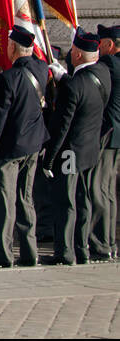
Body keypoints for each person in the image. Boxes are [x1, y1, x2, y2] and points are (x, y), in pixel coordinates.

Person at [0, 25, 50, 267]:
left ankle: (4, 255)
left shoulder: (9, 78)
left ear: (12, 48)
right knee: (25, 198)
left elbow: (0, 117)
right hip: (34, 144)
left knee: (5, 202)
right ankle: (30, 252)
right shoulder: (42, 69)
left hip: (11, 147)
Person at [43, 29, 110, 266]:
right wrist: (65, 79)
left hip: (70, 152)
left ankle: (65, 252)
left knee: (66, 202)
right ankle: (82, 249)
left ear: (79, 54)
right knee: (83, 201)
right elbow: (85, 92)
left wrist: (49, 159)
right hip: (90, 150)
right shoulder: (103, 73)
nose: (71, 53)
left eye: (73, 50)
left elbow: (61, 127)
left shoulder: (73, 87)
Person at [90, 24, 120, 261]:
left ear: (110, 44)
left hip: (108, 131)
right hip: (117, 133)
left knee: (99, 189)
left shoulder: (110, 64)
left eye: (100, 44)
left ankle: (101, 244)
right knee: (108, 191)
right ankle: (108, 242)